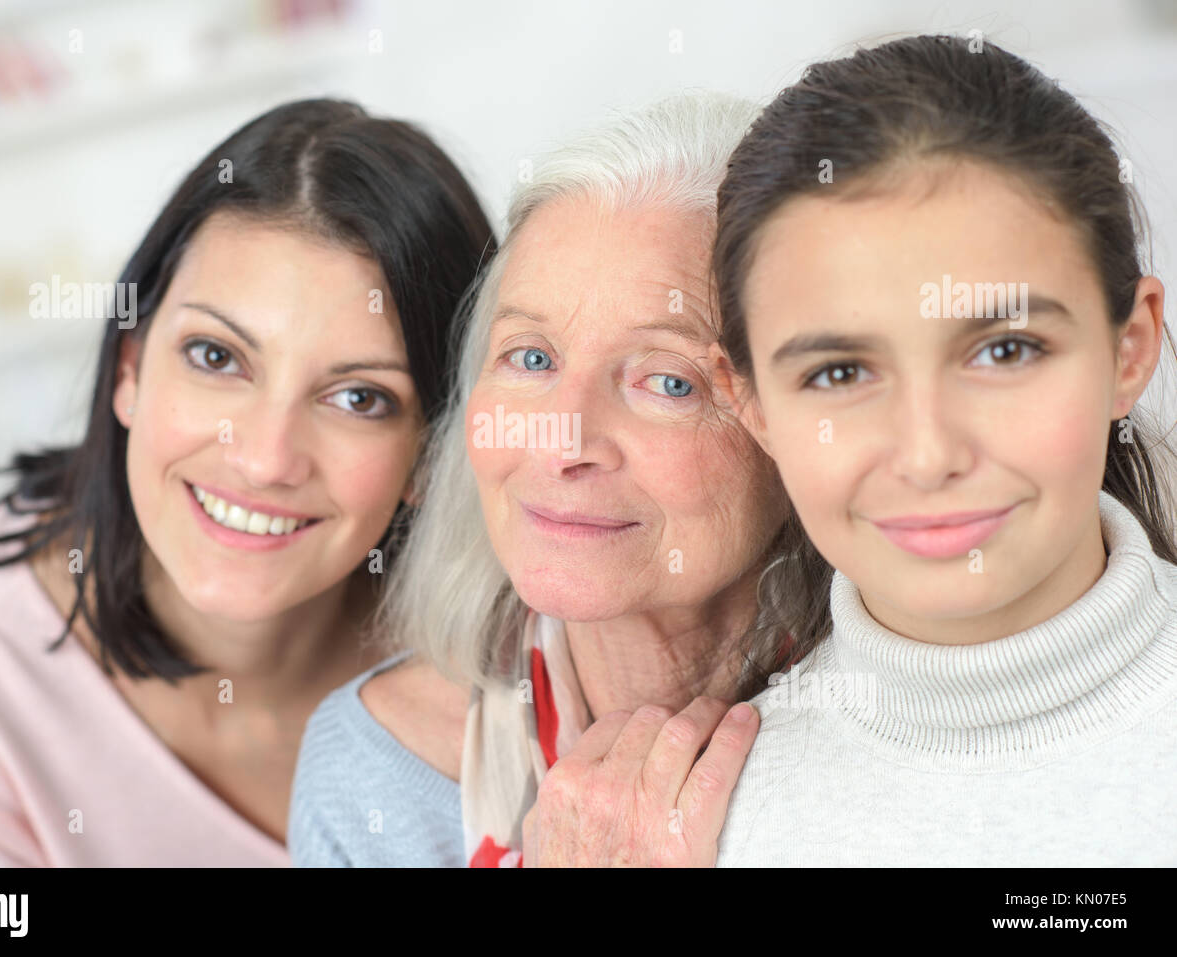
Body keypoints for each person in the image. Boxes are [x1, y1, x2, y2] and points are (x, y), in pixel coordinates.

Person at [0, 98, 494, 865]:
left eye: (358, 397)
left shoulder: (505, 661)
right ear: (130, 369)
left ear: (432, 456)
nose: (265, 458)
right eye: (217, 356)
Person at [290, 94, 794, 867]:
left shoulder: (913, 725)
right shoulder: (374, 773)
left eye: (667, 381)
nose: (562, 439)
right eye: (531, 359)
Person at [708, 34, 1177, 865]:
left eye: (1005, 351)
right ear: (752, 405)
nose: (928, 456)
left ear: (1131, 348)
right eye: (841, 371)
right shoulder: (704, 819)